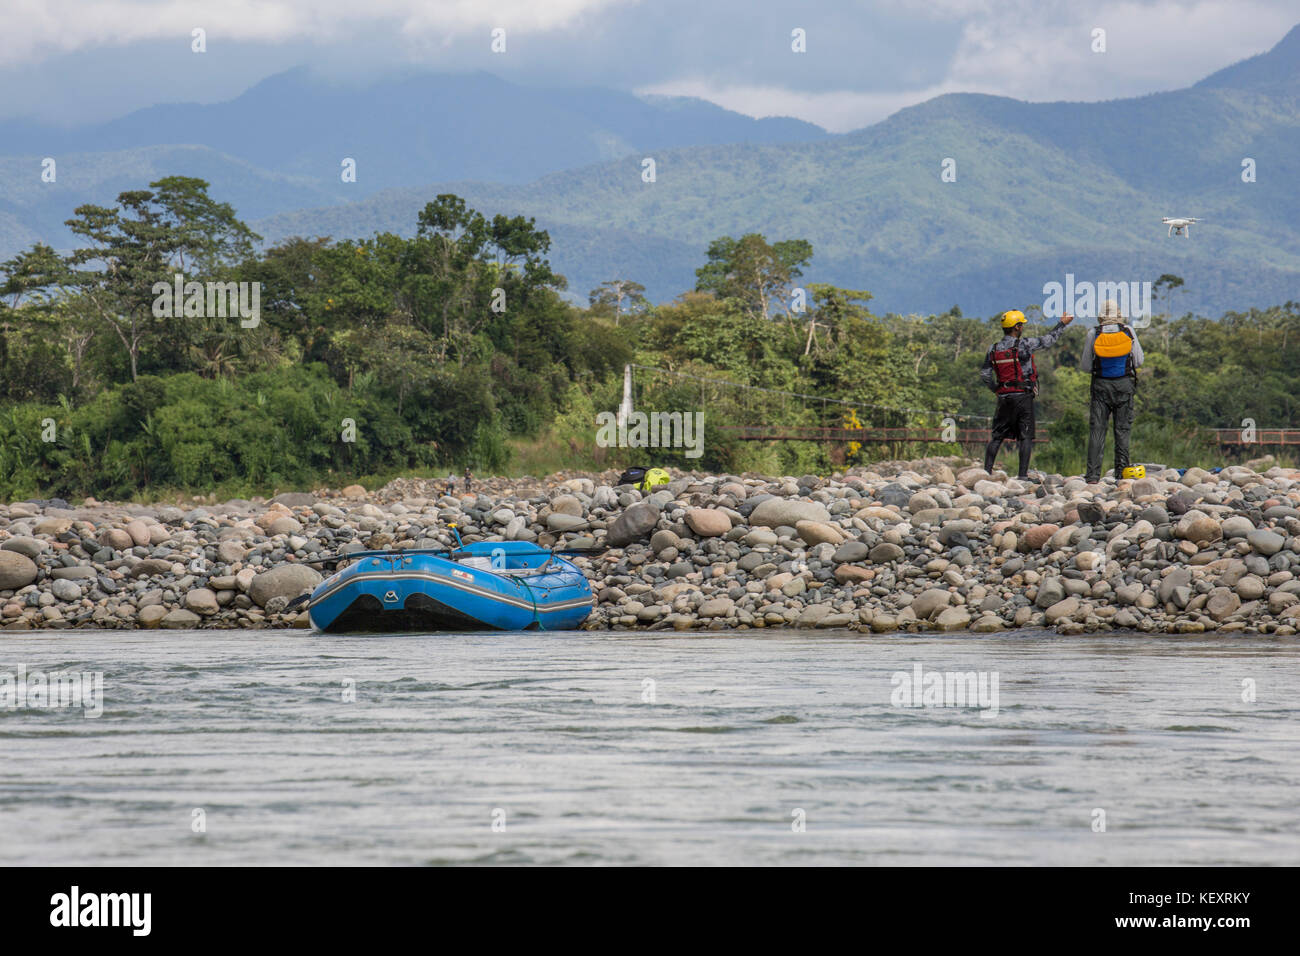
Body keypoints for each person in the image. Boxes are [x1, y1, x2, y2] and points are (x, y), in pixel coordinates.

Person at [979, 309, 1074, 480]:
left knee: (997, 436)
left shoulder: (992, 349)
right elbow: (1048, 341)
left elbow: (985, 375)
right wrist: (1062, 324)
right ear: (1016, 327)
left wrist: (997, 389)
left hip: (1004, 398)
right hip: (1023, 396)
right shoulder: (1025, 344)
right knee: (1025, 436)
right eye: (1021, 324)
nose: (1022, 327)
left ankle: (986, 472)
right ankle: (1022, 476)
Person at [1078, 299, 1144, 483]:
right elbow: (1138, 361)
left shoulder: (1094, 332)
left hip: (1100, 387)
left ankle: (1092, 476)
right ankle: (1121, 472)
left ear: (1101, 317)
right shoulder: (1128, 331)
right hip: (1124, 386)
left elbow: (1085, 366)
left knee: (1097, 431)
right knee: (1122, 430)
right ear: (1119, 315)